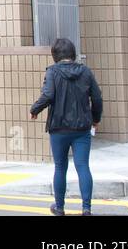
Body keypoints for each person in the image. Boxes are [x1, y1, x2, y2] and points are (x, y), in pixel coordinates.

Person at [30, 37, 103, 216]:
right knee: (83, 166)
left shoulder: (52, 72)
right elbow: (97, 97)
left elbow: (47, 95)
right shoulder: (85, 72)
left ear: (55, 55)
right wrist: (95, 119)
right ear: (73, 53)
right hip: (81, 129)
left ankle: (59, 207)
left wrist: (35, 109)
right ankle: (86, 209)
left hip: (59, 128)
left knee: (60, 167)